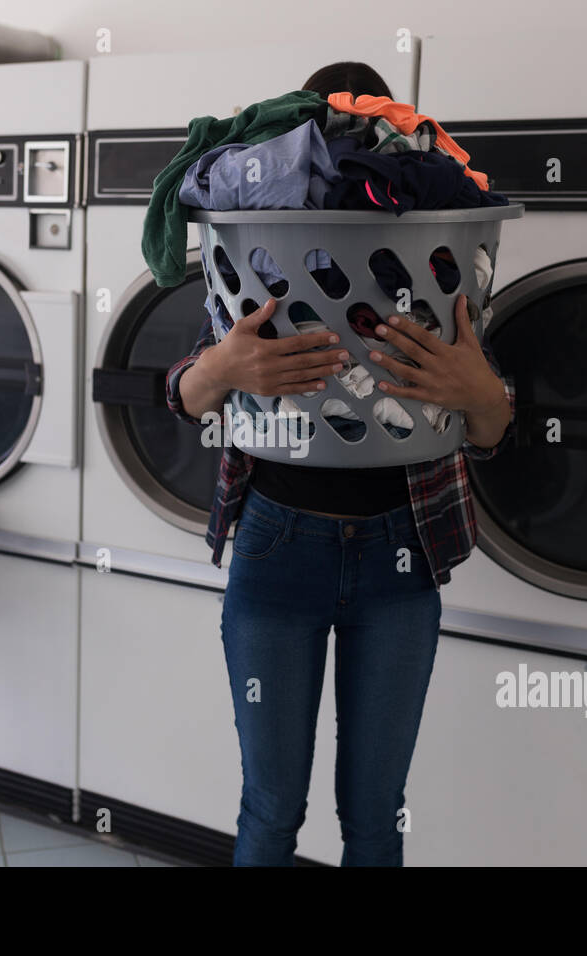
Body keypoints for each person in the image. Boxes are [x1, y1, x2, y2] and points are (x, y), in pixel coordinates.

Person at [165, 61, 515, 866]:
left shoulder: (440, 258)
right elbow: (182, 395)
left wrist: (479, 389)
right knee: (272, 807)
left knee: (374, 812)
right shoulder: (262, 256)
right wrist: (224, 371)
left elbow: (496, 433)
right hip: (275, 548)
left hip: (403, 556)